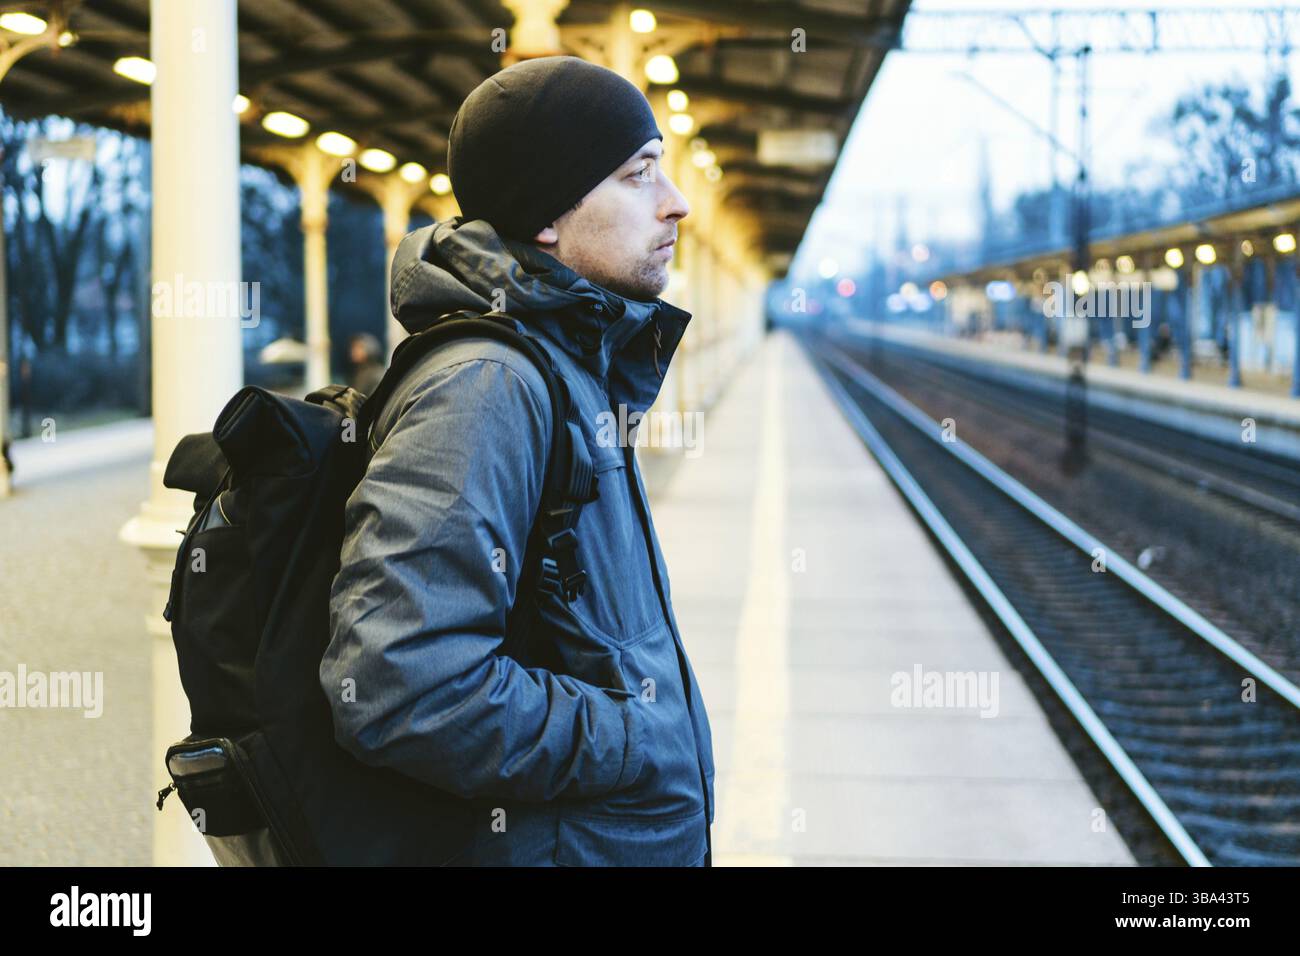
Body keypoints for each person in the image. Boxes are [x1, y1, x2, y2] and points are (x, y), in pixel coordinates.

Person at [320, 56, 715, 867]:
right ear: (546, 215)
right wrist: (637, 734)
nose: (677, 203)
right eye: (640, 175)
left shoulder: (566, 364)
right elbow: (401, 682)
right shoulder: (488, 385)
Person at [345, 332, 386, 398]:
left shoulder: (377, 374)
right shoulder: (357, 373)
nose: (354, 351)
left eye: (359, 347)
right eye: (353, 347)